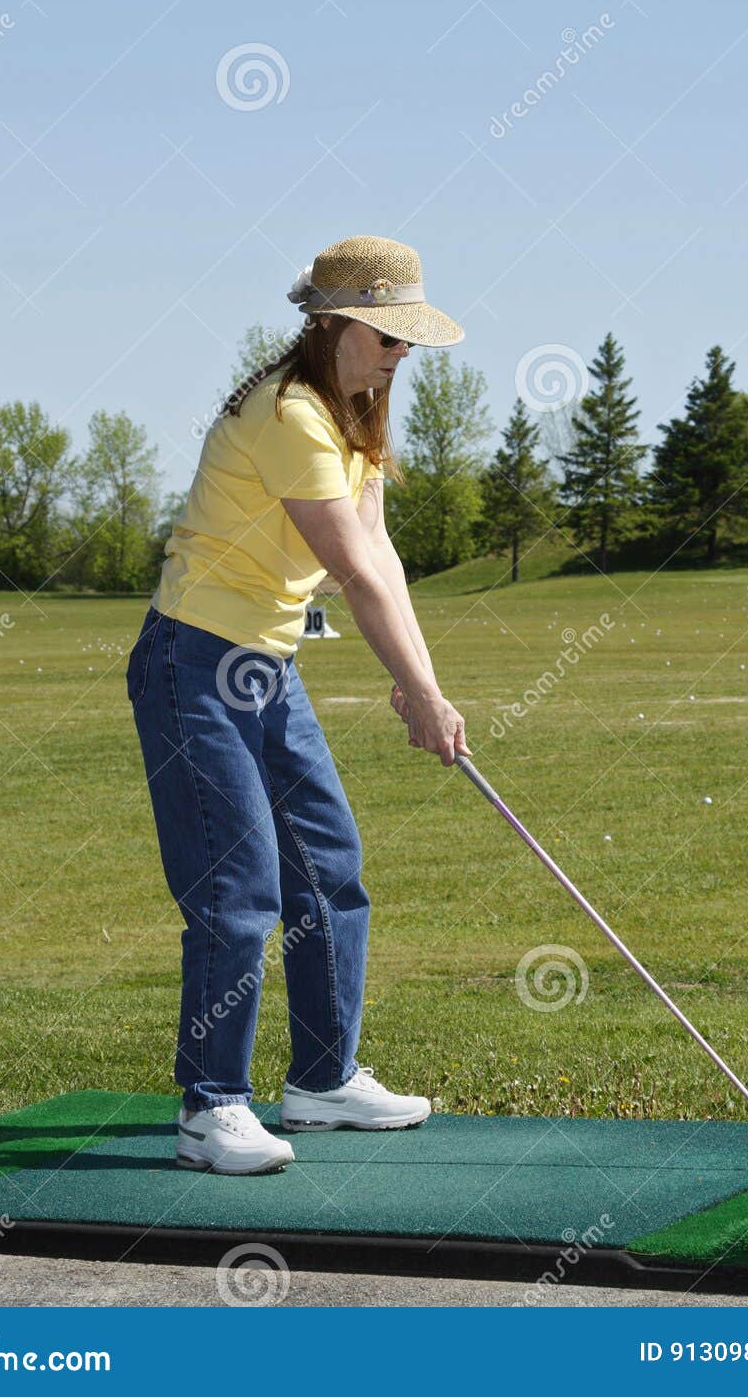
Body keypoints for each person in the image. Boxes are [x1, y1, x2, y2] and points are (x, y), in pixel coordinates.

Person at [126, 234, 470, 1175]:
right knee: (238, 890)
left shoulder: (352, 416)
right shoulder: (290, 413)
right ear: (334, 325)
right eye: (390, 337)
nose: (403, 356)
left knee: (328, 866)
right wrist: (425, 694)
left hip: (263, 668)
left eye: (408, 343)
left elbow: (383, 557)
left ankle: (322, 1080)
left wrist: (417, 683)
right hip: (191, 662)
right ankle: (212, 1108)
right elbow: (353, 573)